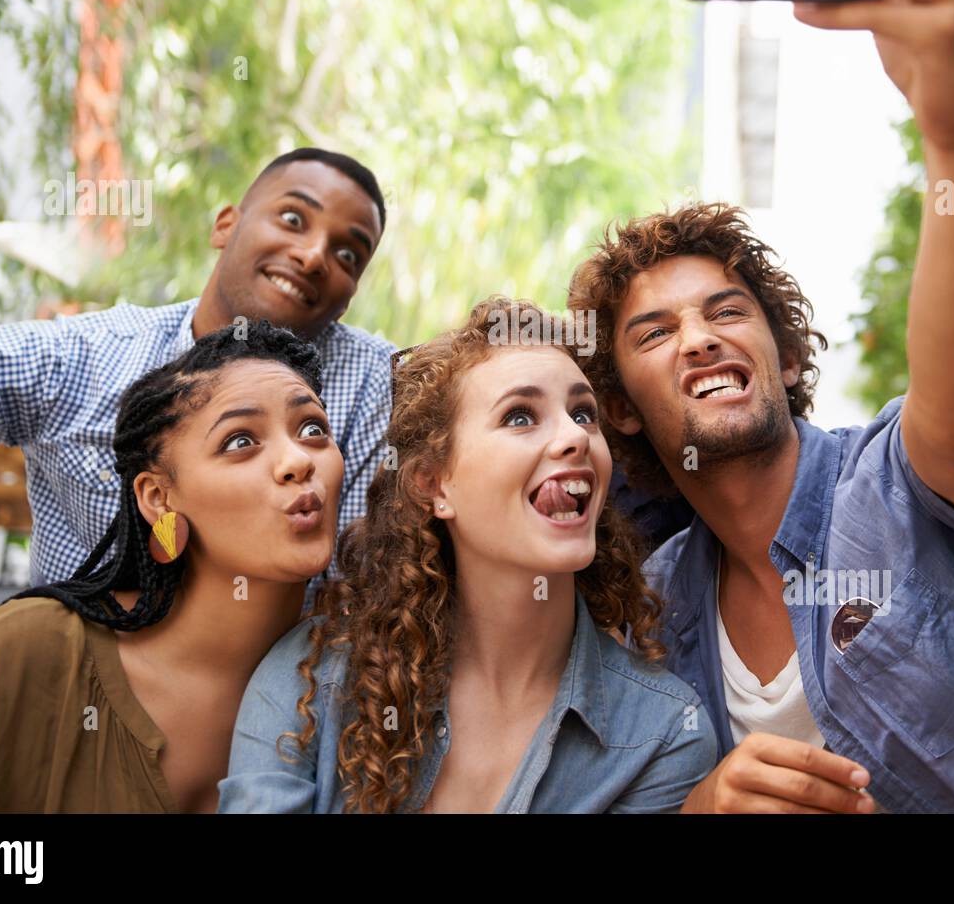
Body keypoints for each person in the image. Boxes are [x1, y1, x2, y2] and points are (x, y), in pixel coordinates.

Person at [565, 0, 954, 814]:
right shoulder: (649, 607)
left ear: (784, 357)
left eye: (728, 312)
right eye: (656, 332)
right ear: (619, 404)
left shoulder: (909, 490)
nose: (700, 337)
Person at [217, 298, 717, 813]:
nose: (573, 437)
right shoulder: (311, 676)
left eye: (583, 414)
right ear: (434, 485)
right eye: (521, 416)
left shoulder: (664, 733)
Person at [0, 320, 341, 812]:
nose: (297, 459)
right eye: (240, 441)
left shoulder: (366, 684)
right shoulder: (31, 649)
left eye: (313, 429)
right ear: (158, 499)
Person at [0, 147, 393, 587]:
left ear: (348, 300)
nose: (312, 256)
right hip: (57, 672)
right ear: (226, 225)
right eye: (292, 219)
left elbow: (355, 596)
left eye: (347, 253)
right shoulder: (91, 355)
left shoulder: (372, 388)